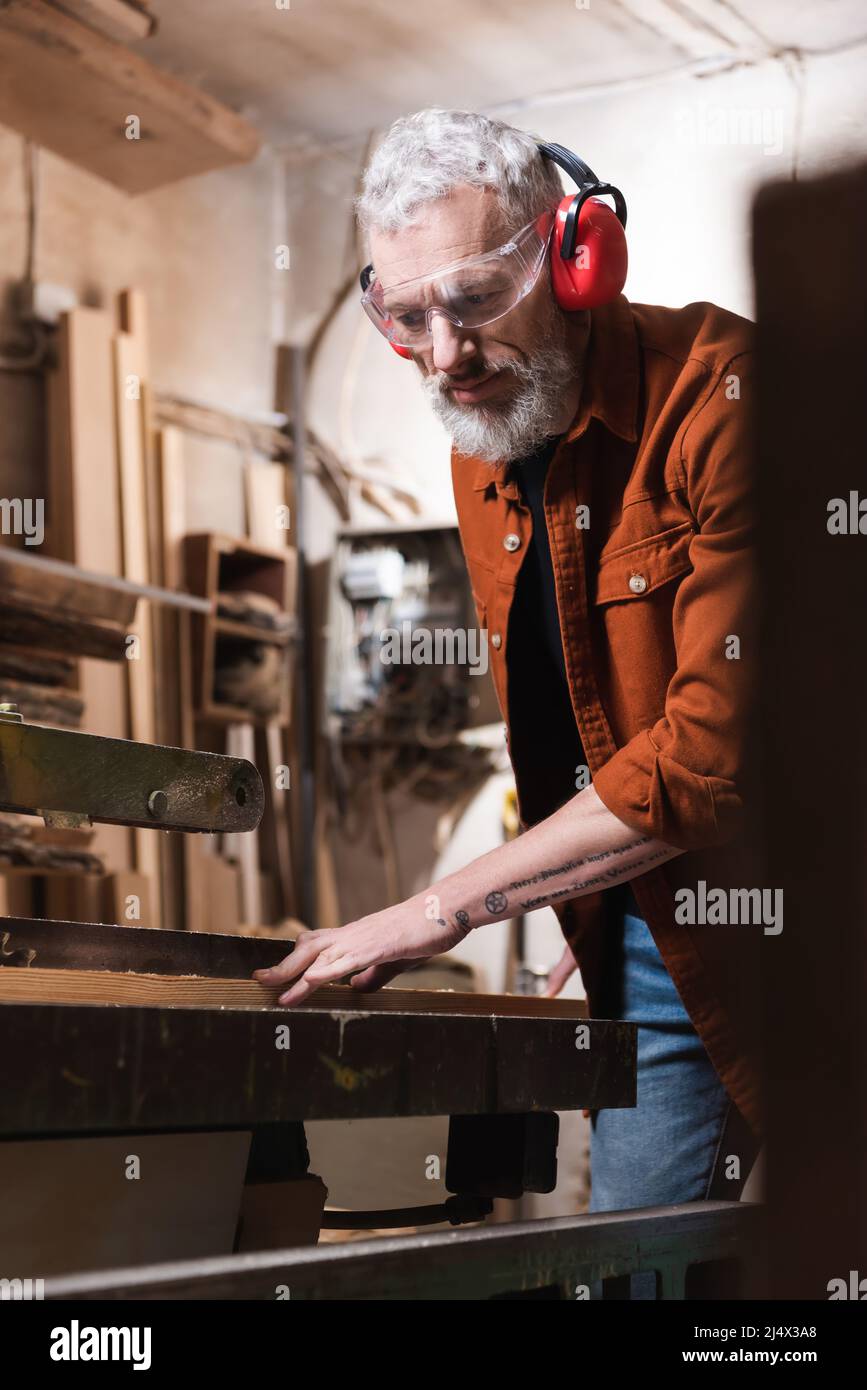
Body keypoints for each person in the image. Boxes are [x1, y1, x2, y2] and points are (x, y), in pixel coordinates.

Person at [256, 108, 763, 1214]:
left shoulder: (727, 402)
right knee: (648, 1270)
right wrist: (607, 890)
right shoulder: (479, 449)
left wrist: (440, 909)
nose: (445, 356)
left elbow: (712, 759)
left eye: (476, 300)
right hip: (653, 935)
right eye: (408, 317)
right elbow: (586, 718)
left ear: (576, 256)